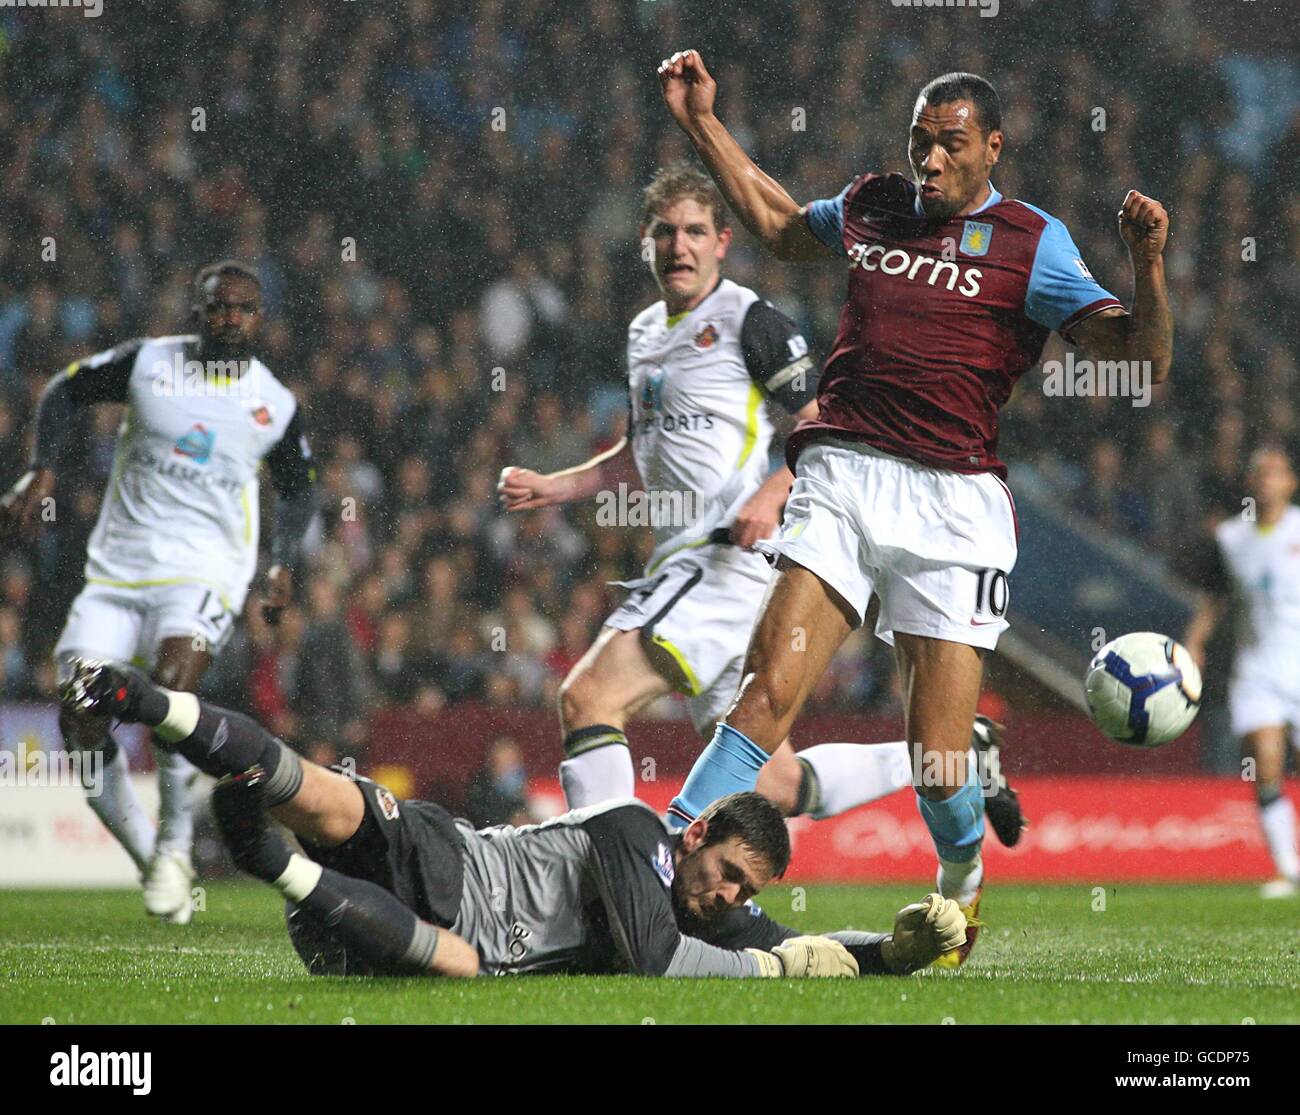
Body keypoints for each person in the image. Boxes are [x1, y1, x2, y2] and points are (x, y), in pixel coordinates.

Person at [654, 52, 1173, 964]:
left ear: (993, 148)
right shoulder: (874, 204)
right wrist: (702, 122)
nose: (930, 162)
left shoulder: (1032, 240)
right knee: (769, 689)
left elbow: (1143, 355)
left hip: (953, 505)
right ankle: (667, 858)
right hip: (845, 475)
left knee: (937, 766)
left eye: (951, 146)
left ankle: (961, 889)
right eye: (920, 143)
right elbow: (778, 224)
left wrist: (1148, 265)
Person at [498, 163, 1025, 845]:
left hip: (723, 560)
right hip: (686, 563)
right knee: (780, 783)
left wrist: (774, 490)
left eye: (694, 231)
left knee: (588, 696)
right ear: (645, 241)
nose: (679, 246)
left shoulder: (750, 320)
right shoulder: (643, 333)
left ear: (723, 240)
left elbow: (824, 420)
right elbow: (641, 450)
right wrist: (556, 486)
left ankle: (607, 876)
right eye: (665, 232)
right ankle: (960, 751)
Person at [61, 657, 968, 978]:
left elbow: (798, 941)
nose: (729, 896)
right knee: (315, 789)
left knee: (459, 960)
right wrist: (767, 975)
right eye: (726, 870)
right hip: (447, 865)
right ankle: (136, 695)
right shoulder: (632, 831)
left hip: (376, 934)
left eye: (744, 891)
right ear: (693, 833)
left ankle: (279, 866)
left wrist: (891, 953)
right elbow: (654, 958)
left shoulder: (718, 911)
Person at [0, 261, 318, 923]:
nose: (230, 318)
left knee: (171, 690)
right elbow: (64, 389)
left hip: (206, 574)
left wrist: (282, 563)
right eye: (218, 307)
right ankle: (153, 858)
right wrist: (42, 468)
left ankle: (177, 838)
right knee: (79, 714)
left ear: (260, 319)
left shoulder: (274, 404)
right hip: (116, 574)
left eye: (243, 309)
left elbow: (298, 487)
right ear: (197, 313)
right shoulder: (148, 364)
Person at [1185, 447, 1300, 898]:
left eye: (1275, 472)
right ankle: (1288, 869)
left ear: (1291, 482)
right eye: (1259, 473)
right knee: (1266, 765)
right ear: (1249, 484)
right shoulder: (1231, 537)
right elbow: (1215, 596)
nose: (1267, 480)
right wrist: (1194, 640)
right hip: (1257, 670)